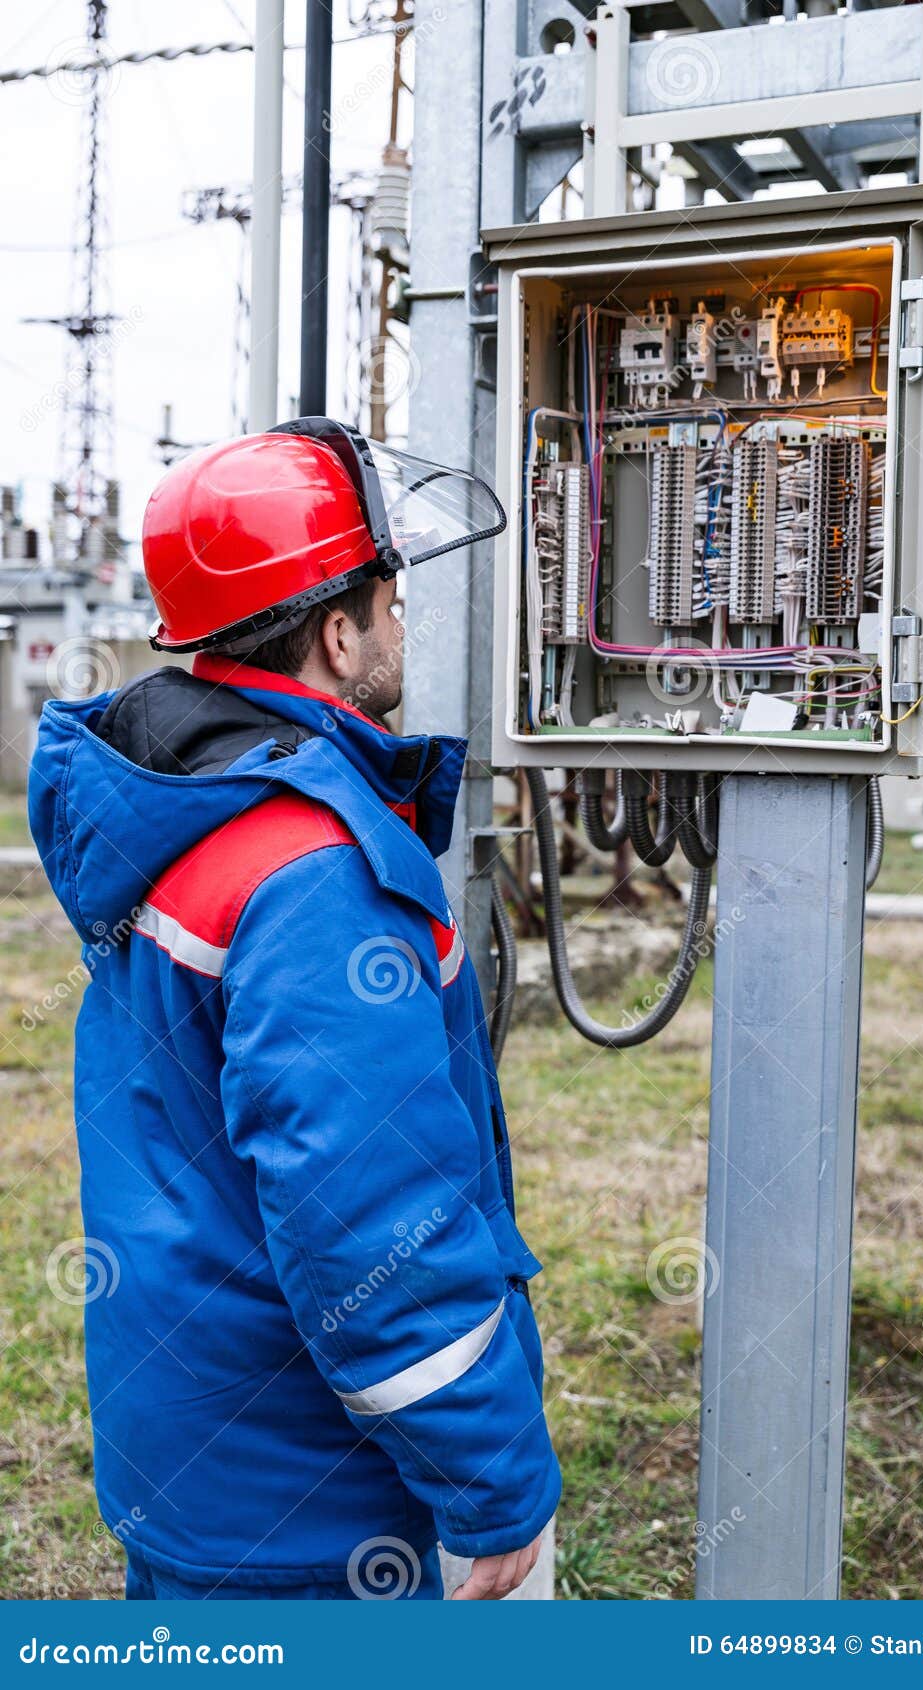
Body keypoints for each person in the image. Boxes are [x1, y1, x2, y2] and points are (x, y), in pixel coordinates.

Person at [28, 422, 560, 1601]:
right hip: (312, 1513)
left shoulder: (177, 805)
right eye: (389, 603)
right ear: (336, 633)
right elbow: (368, 1224)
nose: (399, 626)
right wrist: (490, 1481)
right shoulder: (316, 872)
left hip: (196, 1454)